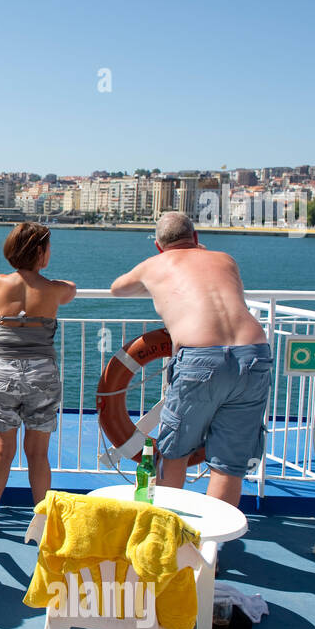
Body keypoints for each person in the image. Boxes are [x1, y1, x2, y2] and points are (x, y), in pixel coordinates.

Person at [110, 211, 272, 507]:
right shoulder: (225, 259)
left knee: (174, 455)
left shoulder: (154, 264)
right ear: (196, 238)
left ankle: (170, 543)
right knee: (228, 467)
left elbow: (117, 288)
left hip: (201, 360)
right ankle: (212, 551)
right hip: (254, 355)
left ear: (159, 246)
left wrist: (152, 279)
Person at [0, 223, 76, 534]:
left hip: (2, 371)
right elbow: (72, 289)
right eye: (48, 248)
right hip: (42, 373)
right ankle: (42, 520)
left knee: (1, 450)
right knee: (38, 453)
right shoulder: (54, 289)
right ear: (40, 253)